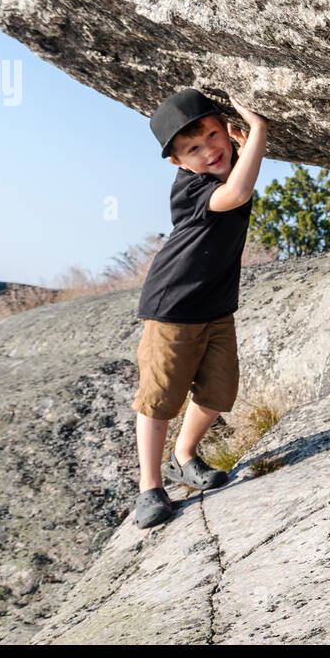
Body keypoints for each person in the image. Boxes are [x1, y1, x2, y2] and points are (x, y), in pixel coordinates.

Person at [131, 87, 268, 528]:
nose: (209, 150)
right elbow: (240, 192)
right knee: (159, 400)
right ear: (178, 162)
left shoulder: (223, 170)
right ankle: (150, 488)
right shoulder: (191, 188)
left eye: (212, 135)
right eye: (193, 148)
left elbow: (239, 179)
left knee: (219, 393)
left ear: (226, 130)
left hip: (216, 307)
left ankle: (183, 456)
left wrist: (245, 145)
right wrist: (261, 130)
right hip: (173, 306)